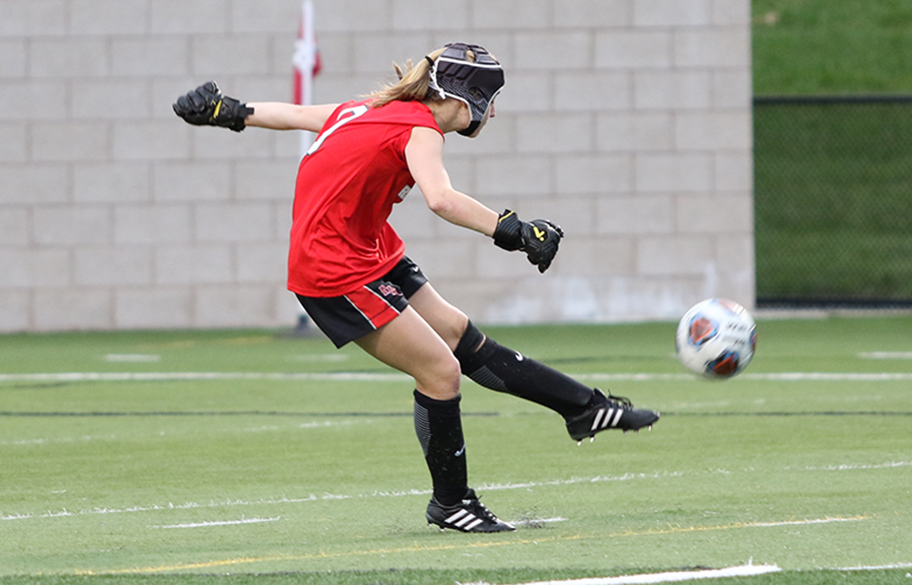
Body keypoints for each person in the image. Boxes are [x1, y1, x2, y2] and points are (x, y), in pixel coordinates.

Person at [173, 42, 659, 533]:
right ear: (467, 99)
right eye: (490, 98)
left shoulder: (372, 108)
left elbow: (296, 114)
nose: (493, 110)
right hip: (334, 270)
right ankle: (451, 503)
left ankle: (584, 409)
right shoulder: (419, 128)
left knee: (459, 334)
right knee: (441, 372)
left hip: (370, 249)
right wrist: (514, 231)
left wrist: (228, 111)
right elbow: (441, 199)